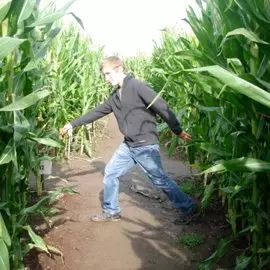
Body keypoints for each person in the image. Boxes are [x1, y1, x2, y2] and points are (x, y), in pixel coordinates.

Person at [60, 56, 199, 225]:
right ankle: (111, 211)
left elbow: (162, 106)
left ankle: (189, 208)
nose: (106, 78)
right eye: (104, 75)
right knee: (110, 173)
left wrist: (177, 130)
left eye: (108, 73)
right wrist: (72, 124)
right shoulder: (115, 96)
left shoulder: (138, 86)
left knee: (159, 179)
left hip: (145, 145)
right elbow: (97, 112)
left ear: (119, 69)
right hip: (129, 144)